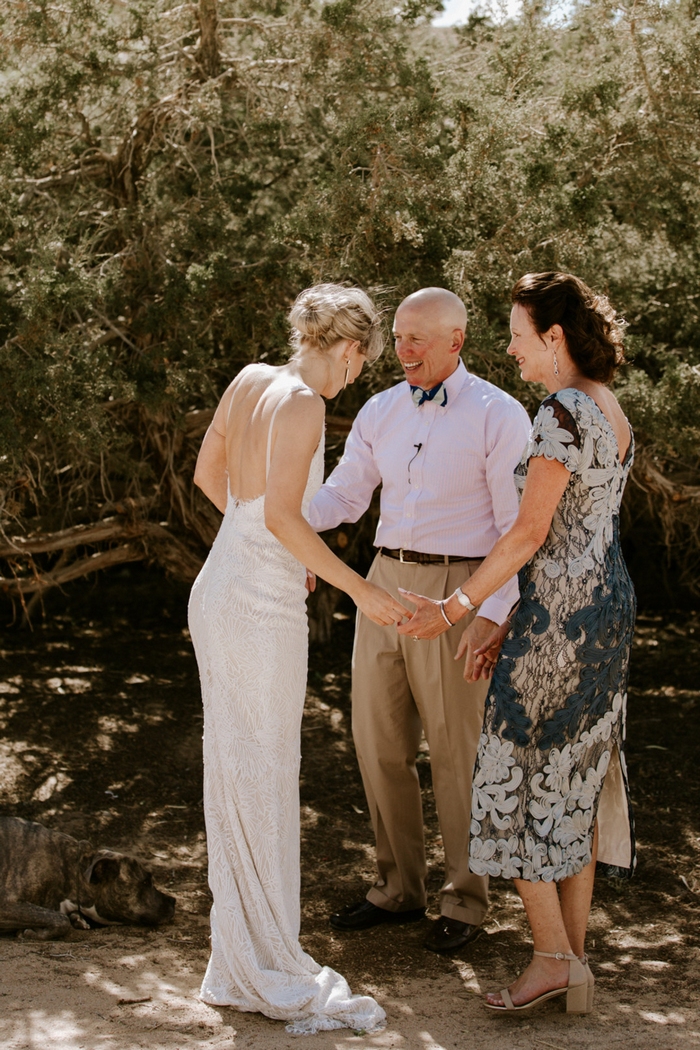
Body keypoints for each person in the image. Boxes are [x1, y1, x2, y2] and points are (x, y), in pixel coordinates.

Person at [399, 272, 636, 1015]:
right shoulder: (608, 406)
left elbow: (529, 532)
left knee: (513, 777)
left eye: (518, 336)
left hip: (560, 628)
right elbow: (570, 533)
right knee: (573, 782)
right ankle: (572, 960)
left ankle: (548, 960)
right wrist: (504, 618)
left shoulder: (561, 409)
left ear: (554, 338)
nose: (510, 349)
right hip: (603, 614)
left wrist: (458, 605)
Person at [188, 283, 411, 1034]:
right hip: (256, 606)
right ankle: (266, 961)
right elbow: (285, 514)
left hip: (219, 586)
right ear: (350, 349)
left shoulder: (250, 380)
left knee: (237, 769)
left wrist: (263, 540)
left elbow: (209, 479)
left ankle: (241, 957)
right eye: (361, 363)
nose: (355, 376)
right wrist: (359, 590)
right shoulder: (309, 405)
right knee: (265, 770)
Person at [308, 287, 531, 953]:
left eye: (417, 339)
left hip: (460, 588)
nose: (401, 349)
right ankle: (397, 887)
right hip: (382, 582)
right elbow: (345, 495)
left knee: (457, 753)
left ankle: (465, 900)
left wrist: (490, 616)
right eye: (398, 337)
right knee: (378, 743)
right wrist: (277, 519)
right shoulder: (379, 410)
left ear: (455, 341)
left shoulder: (499, 413)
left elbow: (516, 529)